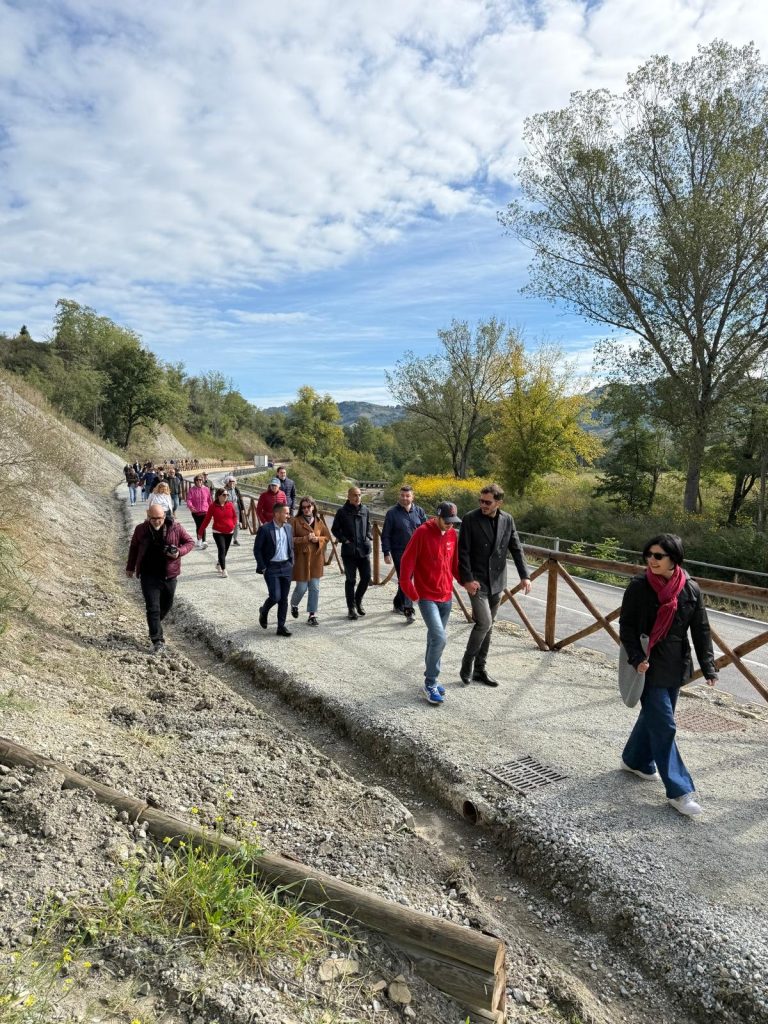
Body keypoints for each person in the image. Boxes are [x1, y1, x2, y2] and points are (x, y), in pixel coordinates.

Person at [619, 533, 718, 817]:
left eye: (658, 556)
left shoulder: (691, 589)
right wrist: (636, 658)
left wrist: (708, 666)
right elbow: (625, 626)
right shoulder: (639, 587)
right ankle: (680, 790)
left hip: (675, 665)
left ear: (674, 558)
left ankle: (635, 760)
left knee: (654, 718)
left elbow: (701, 630)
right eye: (648, 555)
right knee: (665, 725)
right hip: (646, 665)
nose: (651, 560)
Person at [457, 483, 532, 687]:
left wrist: (525, 575)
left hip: (497, 582)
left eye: (487, 502)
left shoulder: (507, 519)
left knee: (489, 627)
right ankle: (467, 664)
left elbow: (516, 548)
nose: (483, 505)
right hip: (477, 582)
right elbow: (462, 552)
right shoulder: (470, 519)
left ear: (499, 502)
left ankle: (480, 670)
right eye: (481, 501)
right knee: (484, 623)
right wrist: (467, 579)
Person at [399, 502, 463, 705]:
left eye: (453, 522)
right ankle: (430, 682)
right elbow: (405, 566)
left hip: (446, 596)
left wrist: (467, 583)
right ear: (437, 517)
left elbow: (455, 566)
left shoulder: (453, 535)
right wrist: (414, 595)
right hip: (426, 596)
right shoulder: (421, 533)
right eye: (447, 521)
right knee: (440, 637)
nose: (450, 525)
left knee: (434, 640)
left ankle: (431, 678)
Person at [125, 502, 195, 654]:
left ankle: (154, 624)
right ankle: (157, 641)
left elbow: (190, 542)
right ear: (148, 517)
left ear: (164, 516)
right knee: (153, 608)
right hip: (148, 575)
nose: (158, 521)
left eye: (160, 518)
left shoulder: (175, 527)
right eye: (154, 518)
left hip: (169, 574)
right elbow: (134, 548)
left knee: (167, 605)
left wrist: (179, 552)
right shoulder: (140, 530)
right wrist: (130, 567)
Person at [381, 484, 427, 622]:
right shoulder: (392, 513)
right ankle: (409, 610)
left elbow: (426, 531)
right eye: (402, 495)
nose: (405, 498)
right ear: (399, 496)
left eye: (407, 496)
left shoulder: (419, 511)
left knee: (404, 580)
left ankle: (397, 603)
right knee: (406, 579)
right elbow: (386, 535)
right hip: (399, 551)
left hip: (417, 551)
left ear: (412, 497)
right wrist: (386, 552)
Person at [331, 486, 372, 620]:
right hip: (349, 552)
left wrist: (368, 535)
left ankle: (358, 600)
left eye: (359, 495)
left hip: (363, 550)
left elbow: (369, 524)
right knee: (351, 580)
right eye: (354, 495)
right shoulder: (342, 512)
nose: (357, 497)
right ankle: (351, 608)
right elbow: (335, 529)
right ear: (348, 497)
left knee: (366, 577)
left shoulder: (365, 510)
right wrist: (344, 540)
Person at [253, 502, 294, 636]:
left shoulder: (288, 527)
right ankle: (263, 611)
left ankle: (281, 627)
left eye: (288, 513)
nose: (288, 515)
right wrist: (263, 567)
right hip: (271, 567)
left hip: (286, 566)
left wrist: (291, 562)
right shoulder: (265, 529)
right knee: (275, 597)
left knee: (284, 598)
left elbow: (290, 546)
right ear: (277, 514)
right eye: (286, 513)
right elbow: (257, 550)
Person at [290, 497, 332, 626]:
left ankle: (312, 614)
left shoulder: (319, 521)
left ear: (313, 506)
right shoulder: (295, 521)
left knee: (314, 587)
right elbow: (290, 540)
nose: (306, 509)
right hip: (301, 559)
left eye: (308, 506)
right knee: (301, 588)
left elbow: (327, 537)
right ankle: (294, 604)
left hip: (316, 559)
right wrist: (304, 539)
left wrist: (318, 539)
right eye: (303, 507)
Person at [199, 487, 238, 577]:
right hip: (218, 531)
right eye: (224, 495)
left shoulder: (230, 505)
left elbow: (235, 516)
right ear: (218, 496)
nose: (226, 496)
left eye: (227, 495)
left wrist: (233, 524)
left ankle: (218, 564)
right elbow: (207, 519)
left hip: (229, 531)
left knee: (225, 551)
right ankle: (224, 570)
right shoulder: (213, 506)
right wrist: (200, 531)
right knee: (222, 549)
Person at [186, 474, 212, 549]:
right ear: (195, 481)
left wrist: (212, 509)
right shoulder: (192, 490)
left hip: (205, 511)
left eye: (200, 480)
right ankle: (199, 540)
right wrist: (191, 506)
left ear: (202, 480)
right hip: (195, 512)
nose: (199, 481)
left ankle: (204, 541)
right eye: (197, 480)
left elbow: (209, 500)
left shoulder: (206, 489)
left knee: (203, 526)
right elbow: (189, 499)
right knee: (198, 526)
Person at [224, 475, 246, 545]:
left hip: (236, 509)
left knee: (236, 524)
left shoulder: (236, 489)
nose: (232, 483)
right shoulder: (224, 490)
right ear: (227, 482)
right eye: (230, 481)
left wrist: (242, 508)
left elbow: (240, 499)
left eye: (233, 481)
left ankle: (235, 539)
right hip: (227, 510)